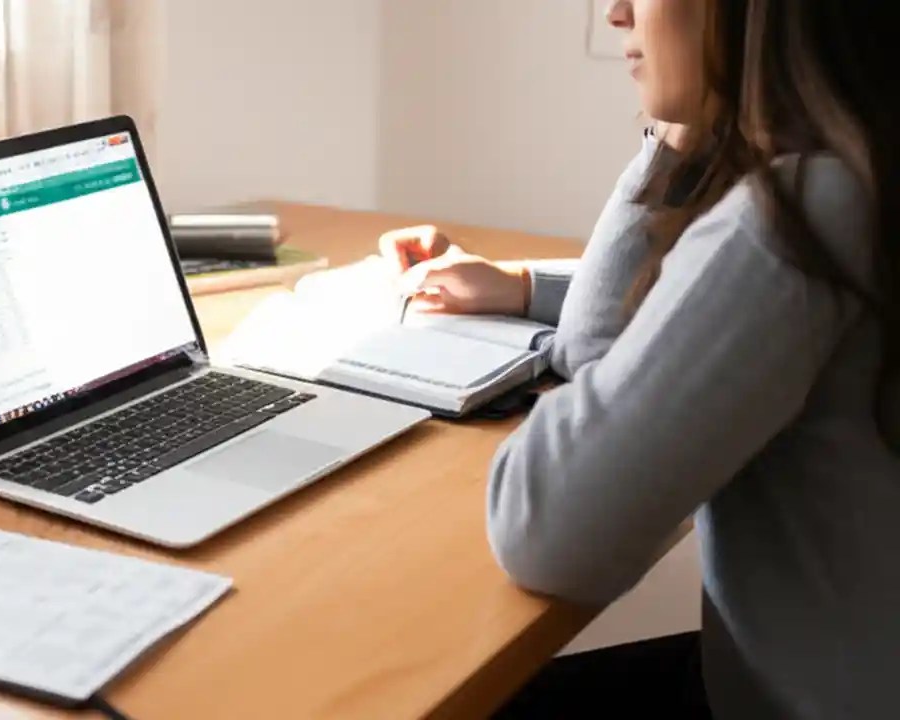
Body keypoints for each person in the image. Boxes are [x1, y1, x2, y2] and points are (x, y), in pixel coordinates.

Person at [379, 1, 898, 718]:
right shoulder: (864, 176)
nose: (618, 11)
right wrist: (529, 288)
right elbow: (708, 307)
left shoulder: (798, 218)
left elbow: (549, 530)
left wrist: (674, 140)